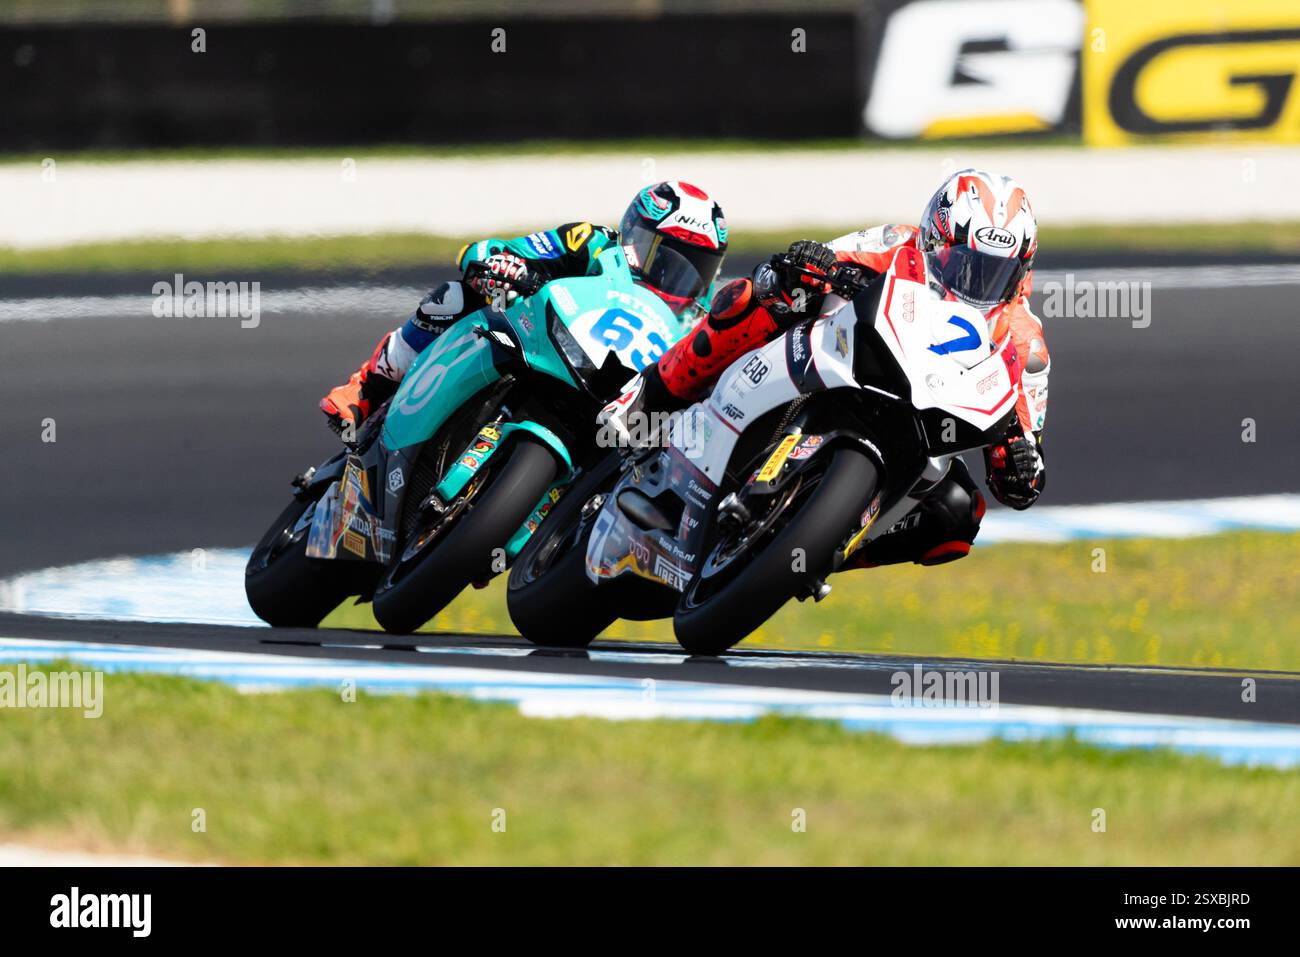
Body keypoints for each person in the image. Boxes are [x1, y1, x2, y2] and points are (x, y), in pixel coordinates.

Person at [599, 168, 1051, 568]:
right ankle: (652, 395)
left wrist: (1019, 459)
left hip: (924, 424)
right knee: (760, 295)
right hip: (849, 354)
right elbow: (813, 261)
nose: (976, 284)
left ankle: (819, 548)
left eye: (994, 273)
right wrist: (811, 267)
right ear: (934, 239)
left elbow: (1021, 469)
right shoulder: (897, 244)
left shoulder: (1025, 342)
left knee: (958, 513)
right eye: (965, 265)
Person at [320, 180, 729, 435]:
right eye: (662, 257)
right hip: (540, 343)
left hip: (614, 405)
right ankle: (368, 388)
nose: (671, 277)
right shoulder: (589, 242)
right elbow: (488, 251)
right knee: (457, 296)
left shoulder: (703, 318)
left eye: (693, 268)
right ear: (633, 234)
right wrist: (502, 267)